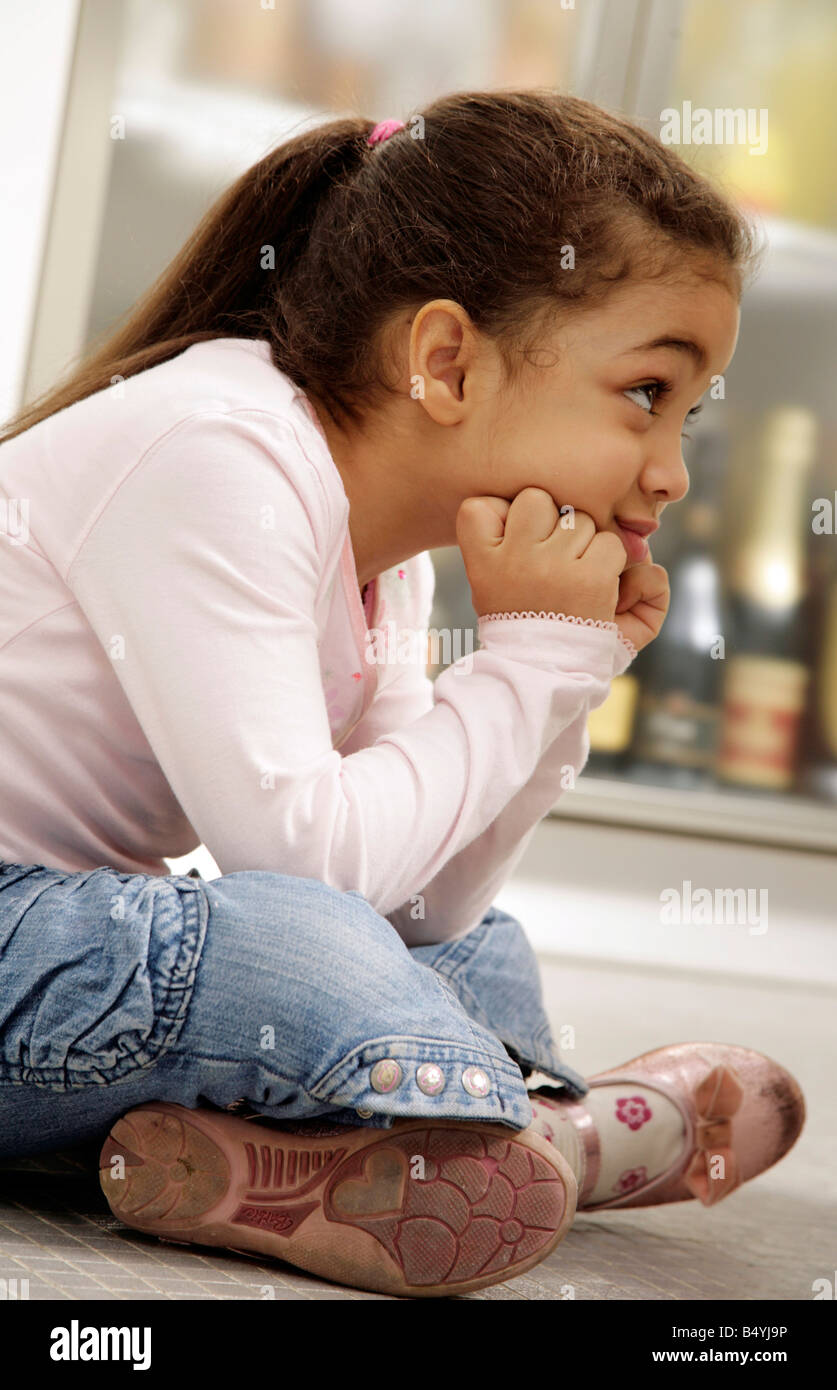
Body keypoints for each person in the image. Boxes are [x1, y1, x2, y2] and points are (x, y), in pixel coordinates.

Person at [0, 91, 804, 1299]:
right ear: (446, 360)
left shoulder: (394, 573)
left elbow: (420, 900)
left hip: (69, 950)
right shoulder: (217, 447)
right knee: (298, 942)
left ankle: (310, 1162)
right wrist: (528, 659)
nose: (673, 470)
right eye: (648, 392)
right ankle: (538, 1139)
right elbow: (313, 872)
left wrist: (563, 678)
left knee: (474, 948)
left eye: (689, 414)